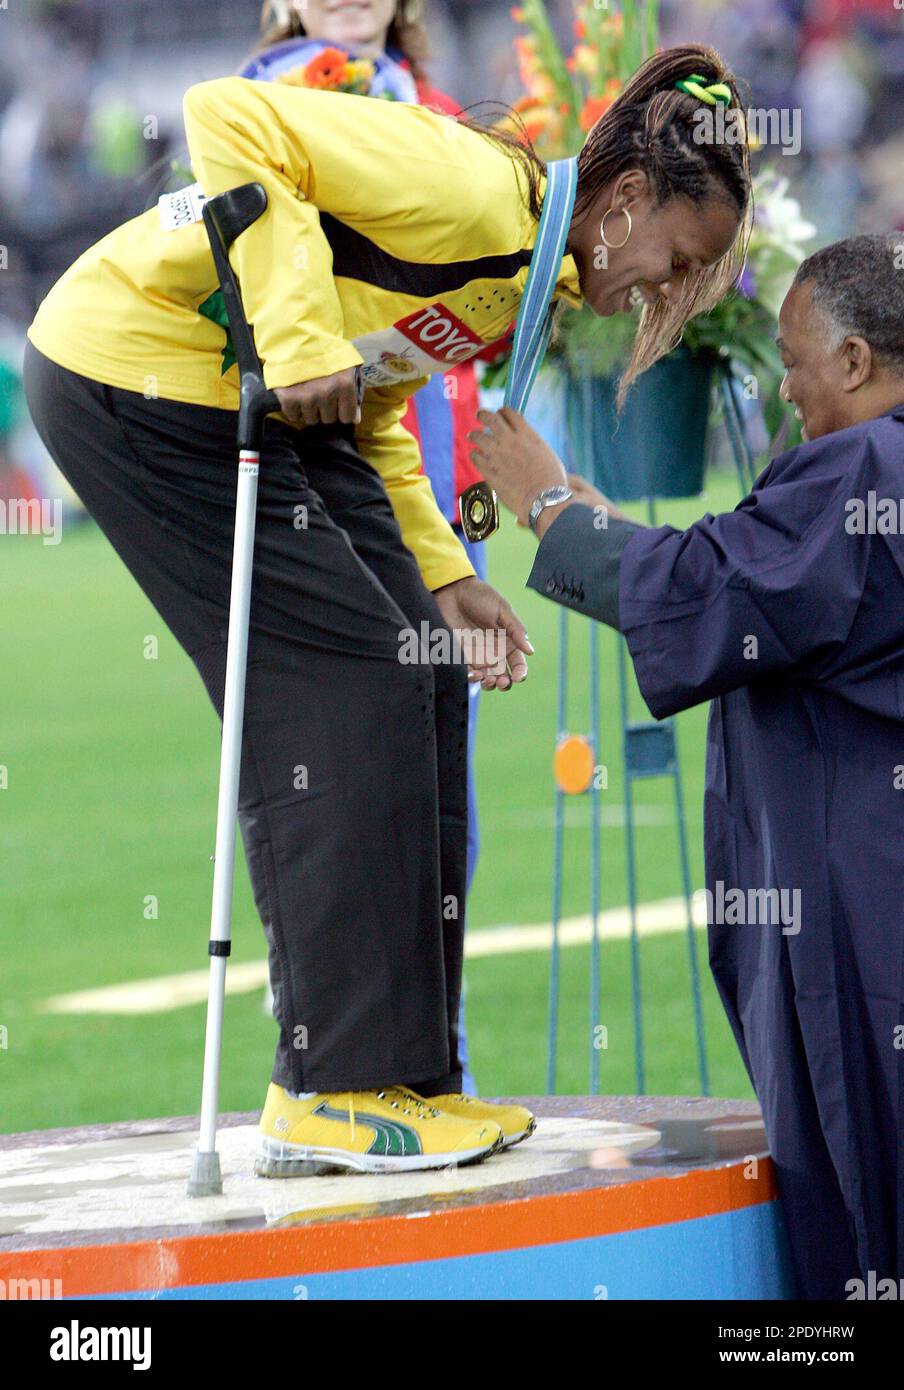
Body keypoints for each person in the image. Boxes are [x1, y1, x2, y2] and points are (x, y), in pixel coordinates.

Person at [23, 43, 750, 1177]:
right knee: (351, 680)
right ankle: (328, 1088)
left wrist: (448, 575)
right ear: (622, 199)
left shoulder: (527, 275)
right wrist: (303, 336)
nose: (664, 290)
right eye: (674, 258)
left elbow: (374, 395)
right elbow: (224, 113)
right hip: (141, 374)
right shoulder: (467, 189)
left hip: (280, 404)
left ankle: (407, 1078)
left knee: (420, 669)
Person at [470, 233, 904, 1298]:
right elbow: (761, 577)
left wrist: (546, 509)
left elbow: (727, 595)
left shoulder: (864, 464)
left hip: (858, 901)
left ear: (854, 361)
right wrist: (605, 524)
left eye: (796, 359)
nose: (785, 385)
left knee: (865, 1181)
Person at [244, 0, 488, 1094]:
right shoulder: (285, 94)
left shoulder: (440, 111)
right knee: (347, 761)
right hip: (326, 463)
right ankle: (338, 1054)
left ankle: (436, 1051)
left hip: (426, 474)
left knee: (441, 773)